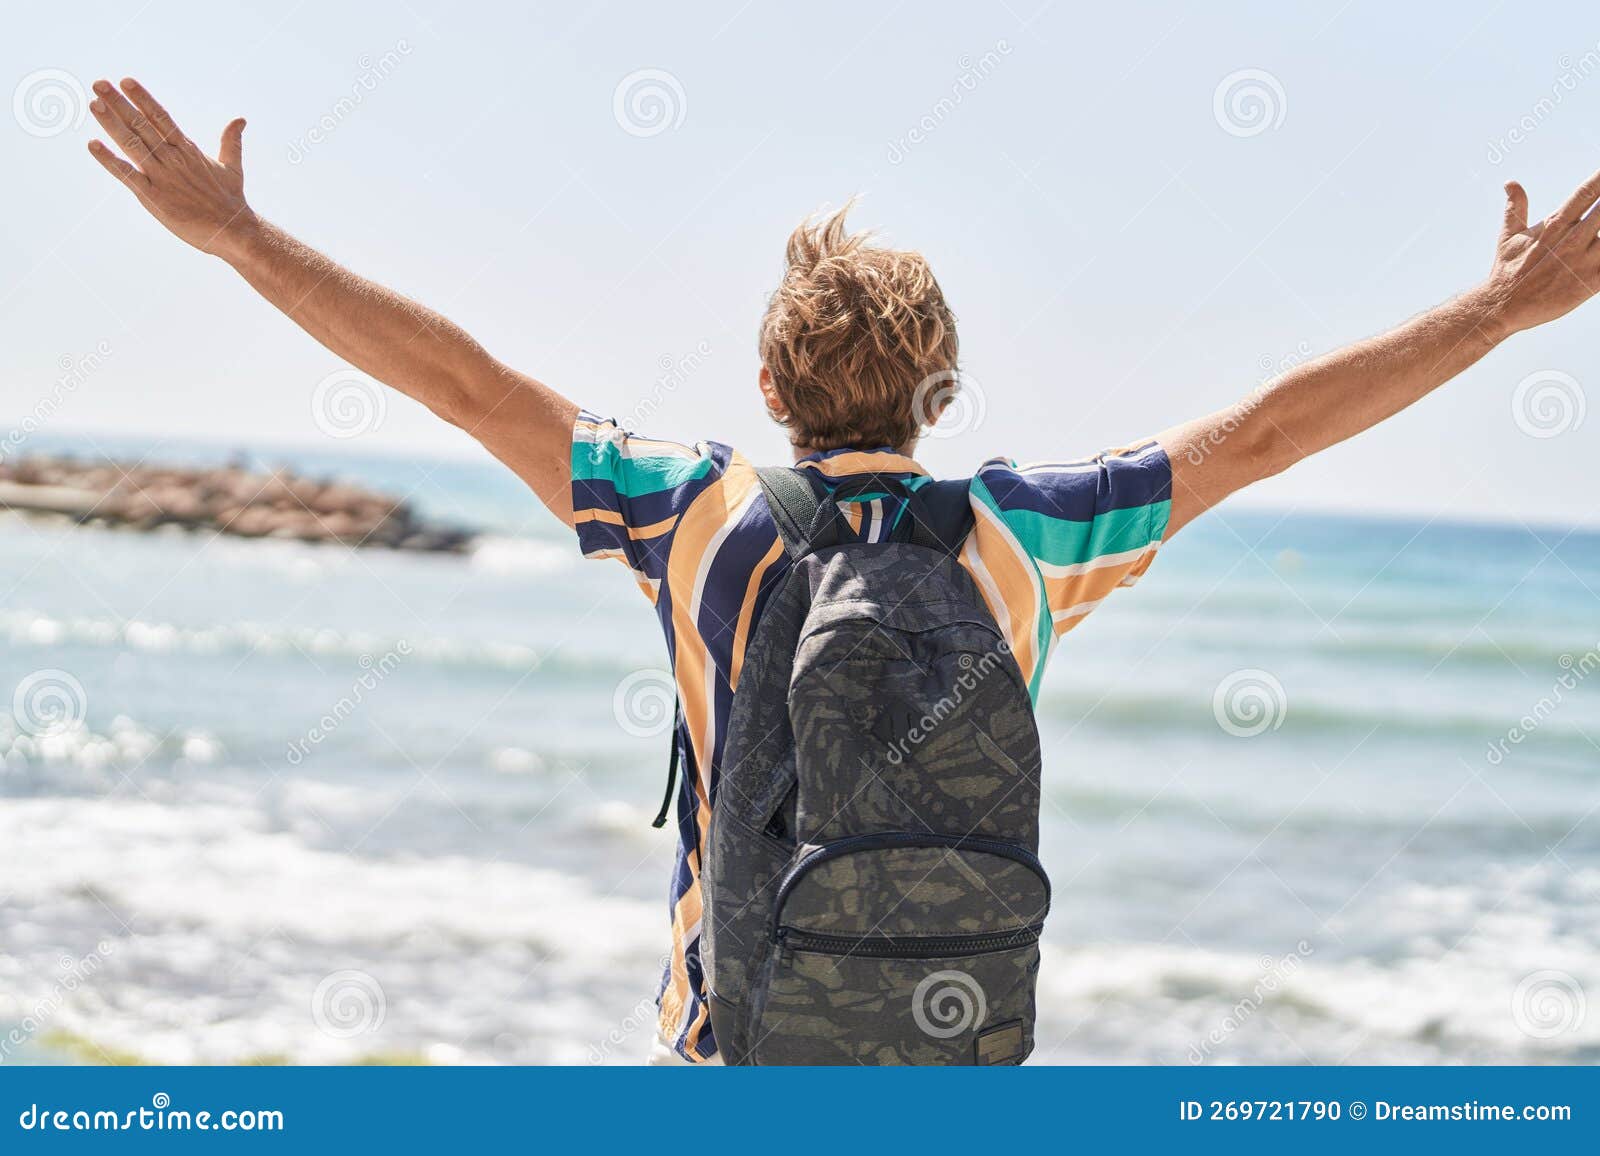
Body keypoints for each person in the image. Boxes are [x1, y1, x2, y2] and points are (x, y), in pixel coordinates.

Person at [84, 75, 1600, 1064]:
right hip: (953, 1043)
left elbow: (466, 386)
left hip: (735, 1051)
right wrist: (1496, 315)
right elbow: (1264, 436)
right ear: (941, 389)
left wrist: (240, 239)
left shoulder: (694, 517)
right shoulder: (1031, 536)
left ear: (768, 378)